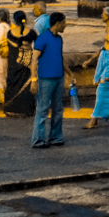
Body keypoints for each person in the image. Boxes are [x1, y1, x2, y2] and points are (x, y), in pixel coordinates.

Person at [31, 11, 73, 148]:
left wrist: (69, 73)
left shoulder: (59, 39)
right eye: (64, 22)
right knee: (43, 109)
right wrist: (33, 79)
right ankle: (38, 139)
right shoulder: (43, 38)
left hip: (58, 77)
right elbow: (34, 59)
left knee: (58, 109)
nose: (65, 25)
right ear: (57, 23)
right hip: (46, 79)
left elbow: (61, 58)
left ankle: (56, 136)